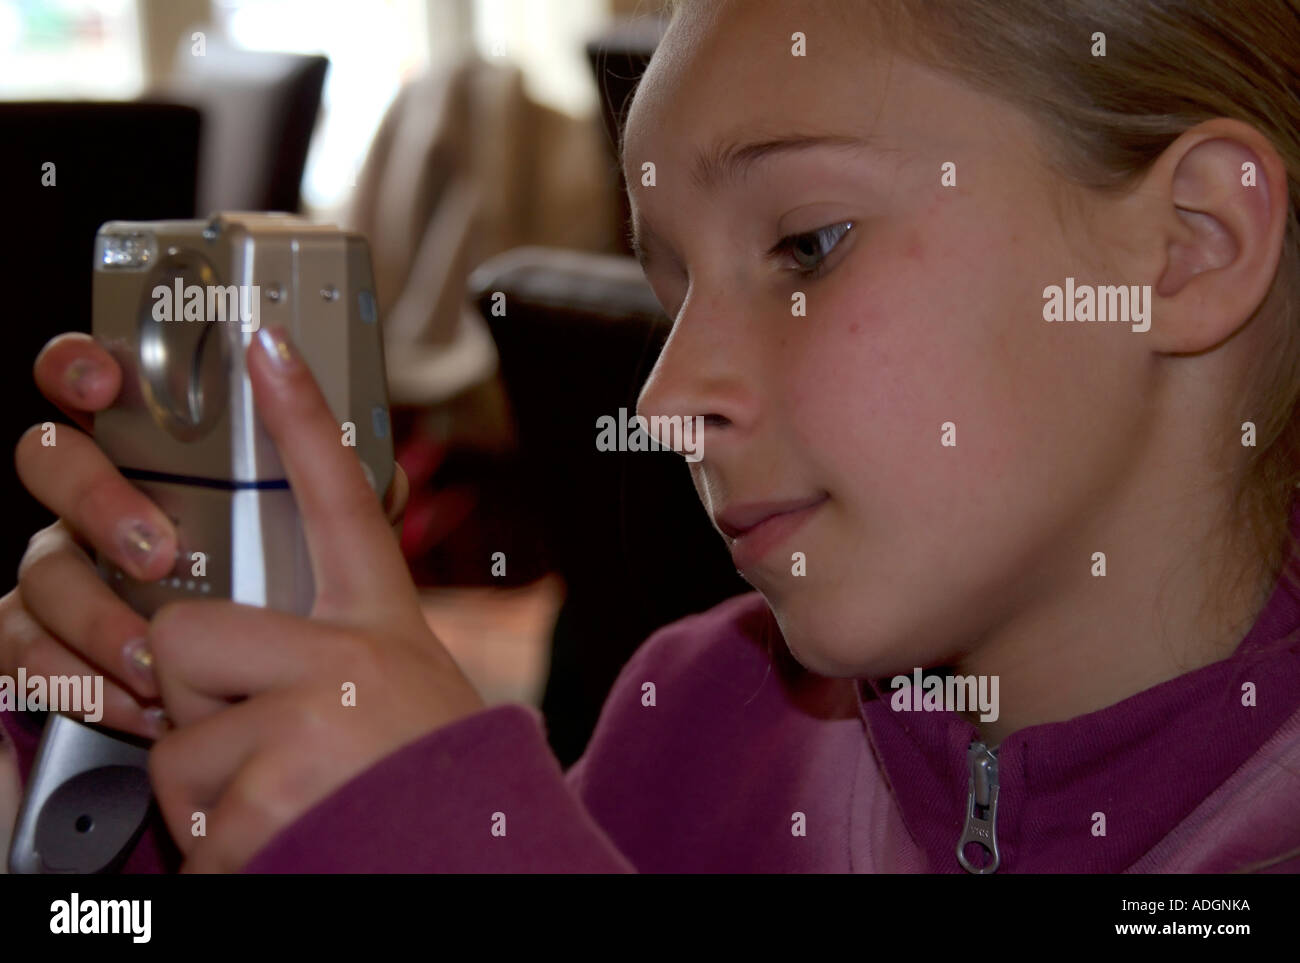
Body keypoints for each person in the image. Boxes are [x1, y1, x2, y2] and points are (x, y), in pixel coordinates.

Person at [3, 0, 1299, 872]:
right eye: (668, 293)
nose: (665, 402)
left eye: (807, 244)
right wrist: (129, 807)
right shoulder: (693, 720)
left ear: (1188, 246)